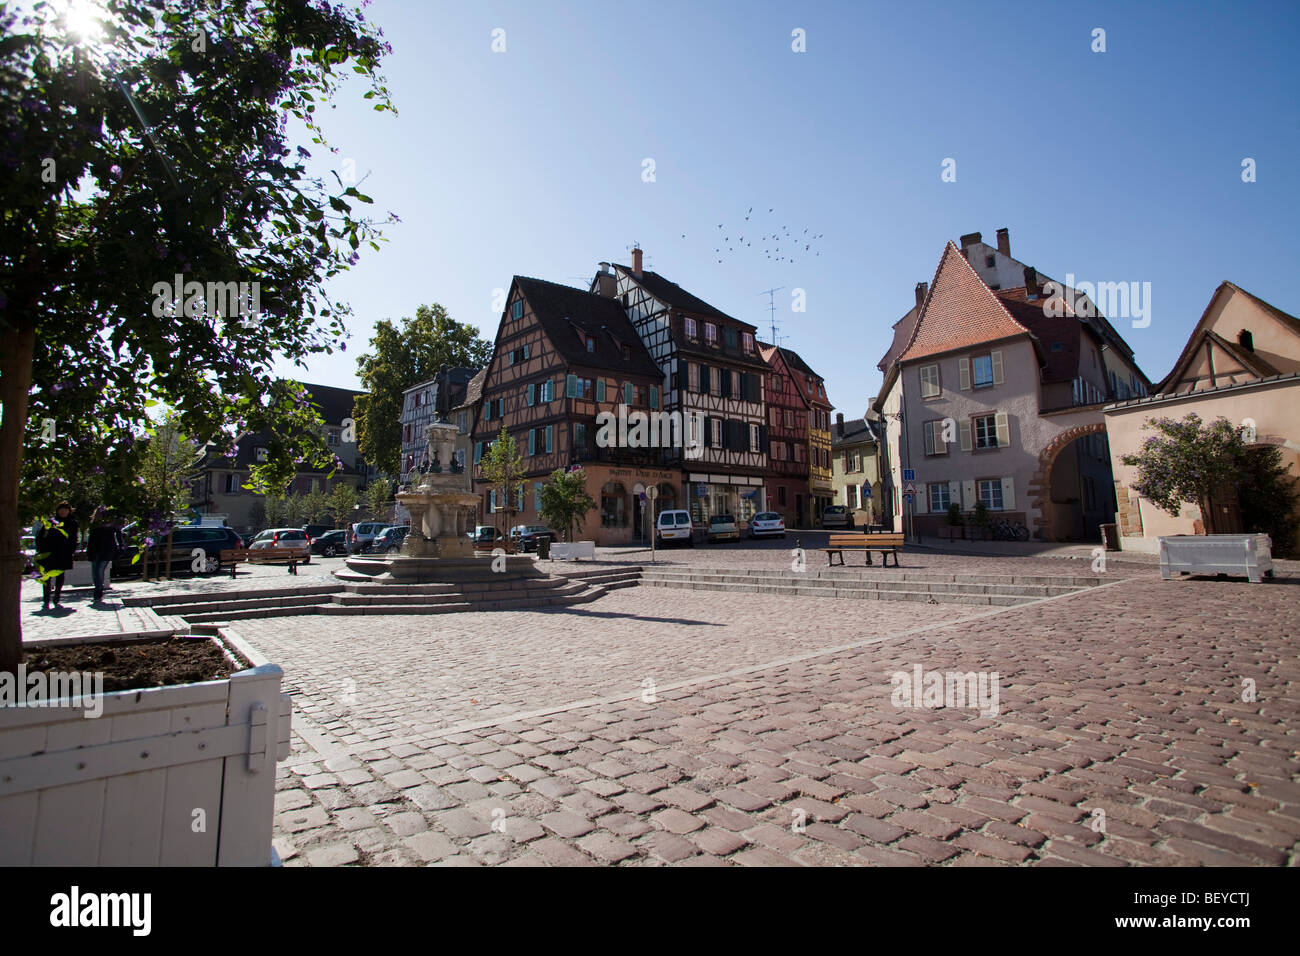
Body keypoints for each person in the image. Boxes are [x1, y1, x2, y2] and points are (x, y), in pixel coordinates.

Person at [34, 501, 79, 610]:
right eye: (61, 510)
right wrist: (40, 549)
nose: (63, 512)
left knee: (60, 575)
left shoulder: (72, 523)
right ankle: (46, 599)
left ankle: (57, 597)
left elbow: (73, 538)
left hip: (63, 553)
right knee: (47, 576)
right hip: (49, 552)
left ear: (69, 511)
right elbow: (40, 536)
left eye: (65, 510)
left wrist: (71, 550)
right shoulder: (51, 522)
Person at [86, 507, 119, 604]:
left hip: (106, 551)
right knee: (95, 572)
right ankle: (98, 590)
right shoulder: (94, 526)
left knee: (99, 570)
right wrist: (89, 552)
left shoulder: (110, 526)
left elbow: (115, 536)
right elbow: (91, 540)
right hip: (95, 551)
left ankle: (98, 593)